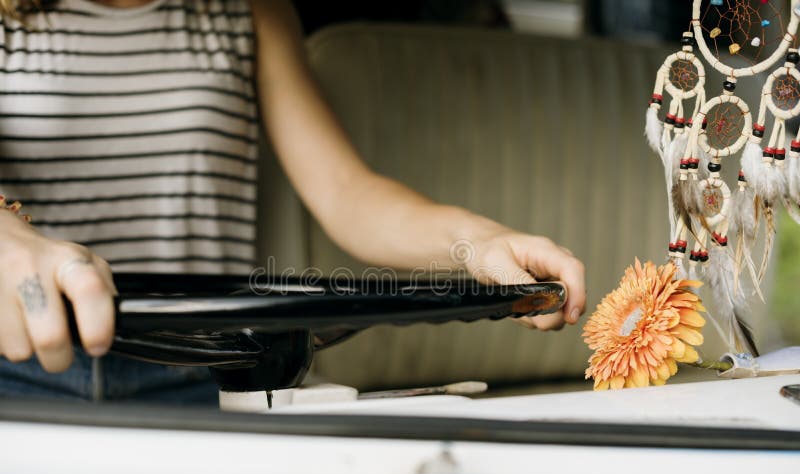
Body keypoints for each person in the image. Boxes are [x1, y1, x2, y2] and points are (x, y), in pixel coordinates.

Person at [0, 0, 585, 403]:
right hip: (18, 373)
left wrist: (477, 243)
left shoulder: (249, 10)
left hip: (208, 373)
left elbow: (347, 193)